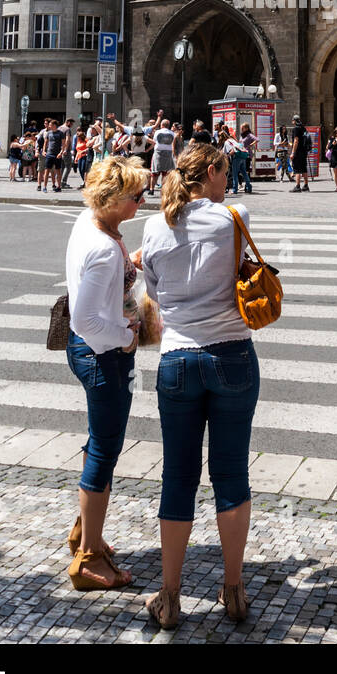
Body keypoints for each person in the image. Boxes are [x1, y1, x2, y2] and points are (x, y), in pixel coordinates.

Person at [140, 143, 261, 628]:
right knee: (231, 475)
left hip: (178, 361)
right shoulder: (234, 216)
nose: (227, 180)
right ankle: (233, 589)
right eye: (224, 171)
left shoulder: (153, 226)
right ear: (209, 172)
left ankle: (169, 597)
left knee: (178, 477)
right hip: (232, 355)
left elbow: (151, 292)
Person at [64, 156, 147, 591]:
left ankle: (85, 530)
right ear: (114, 200)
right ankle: (88, 560)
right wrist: (126, 334)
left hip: (93, 354)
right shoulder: (100, 248)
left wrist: (131, 261)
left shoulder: (91, 223)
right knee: (105, 450)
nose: (142, 201)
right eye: (136, 196)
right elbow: (84, 318)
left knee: (99, 442)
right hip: (103, 357)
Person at [150, 118, 178, 195]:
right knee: (165, 173)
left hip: (158, 153)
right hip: (168, 153)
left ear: (161, 125)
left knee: (155, 172)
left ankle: (151, 189)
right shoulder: (172, 133)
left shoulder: (157, 132)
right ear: (168, 126)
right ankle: (163, 189)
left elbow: (154, 141)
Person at [289, 114, 310, 192]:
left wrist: (293, 153)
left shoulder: (296, 129)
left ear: (294, 121)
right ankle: (306, 185)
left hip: (298, 151)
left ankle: (297, 186)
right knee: (304, 168)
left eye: (292, 120)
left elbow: (296, 141)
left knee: (297, 168)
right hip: (304, 151)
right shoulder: (303, 128)